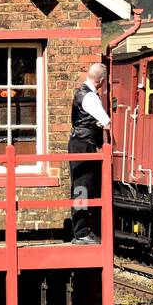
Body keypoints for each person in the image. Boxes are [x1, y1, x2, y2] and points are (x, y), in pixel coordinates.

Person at [68, 64, 111, 243]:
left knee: (84, 187)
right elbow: (106, 121)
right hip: (83, 145)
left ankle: (83, 231)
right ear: (101, 81)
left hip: (80, 142)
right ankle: (81, 233)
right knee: (81, 188)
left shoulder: (82, 91)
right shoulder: (90, 97)